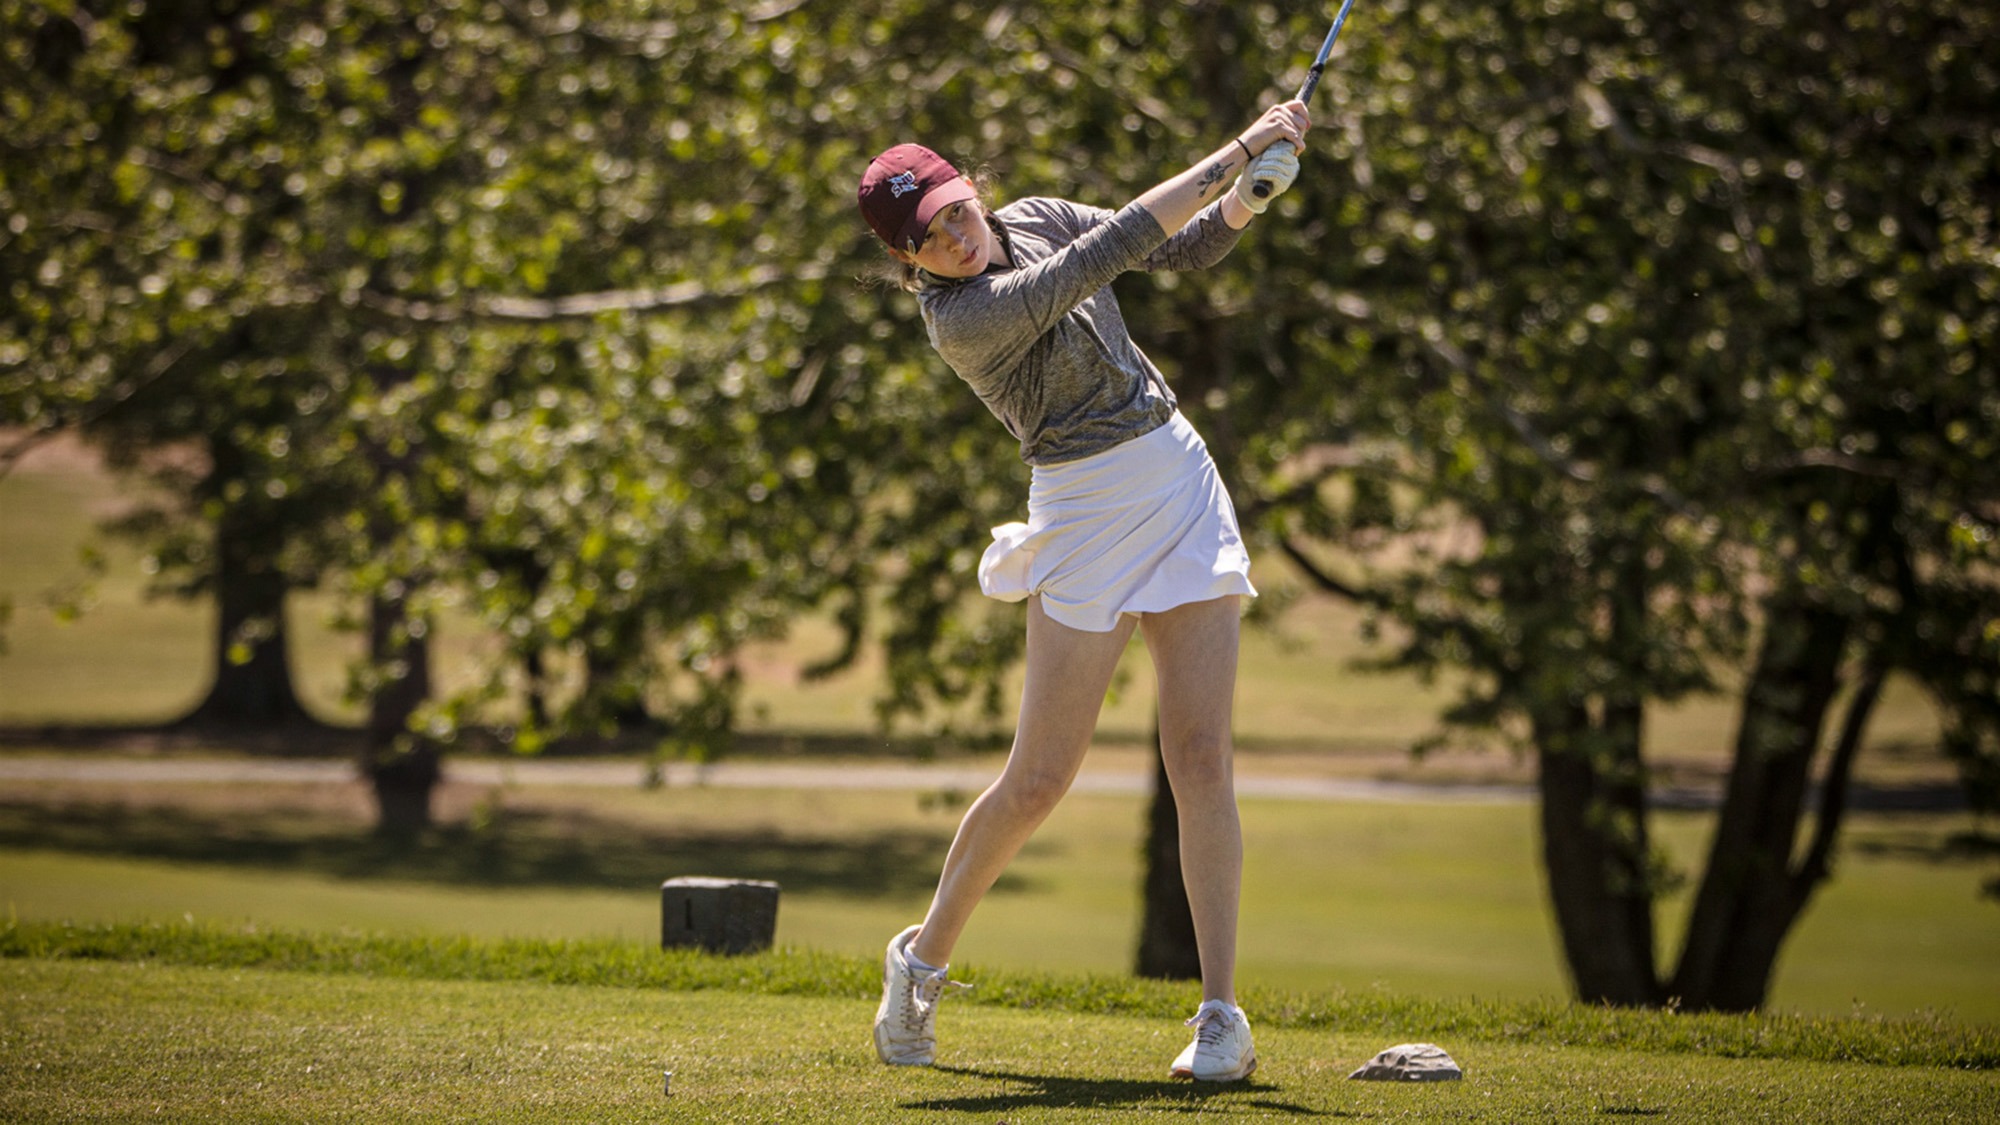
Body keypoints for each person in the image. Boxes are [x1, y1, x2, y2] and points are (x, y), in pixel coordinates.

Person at [854, 98, 1311, 1083]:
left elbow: (1177, 251)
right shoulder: (963, 321)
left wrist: (1246, 196)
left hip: (1176, 476)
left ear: (966, 184)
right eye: (924, 237)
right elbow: (1102, 257)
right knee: (1039, 778)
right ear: (909, 263)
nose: (950, 235)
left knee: (1199, 755)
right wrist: (1236, 143)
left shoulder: (1037, 214)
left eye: (949, 207)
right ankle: (922, 958)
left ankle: (1220, 1015)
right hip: (1084, 509)